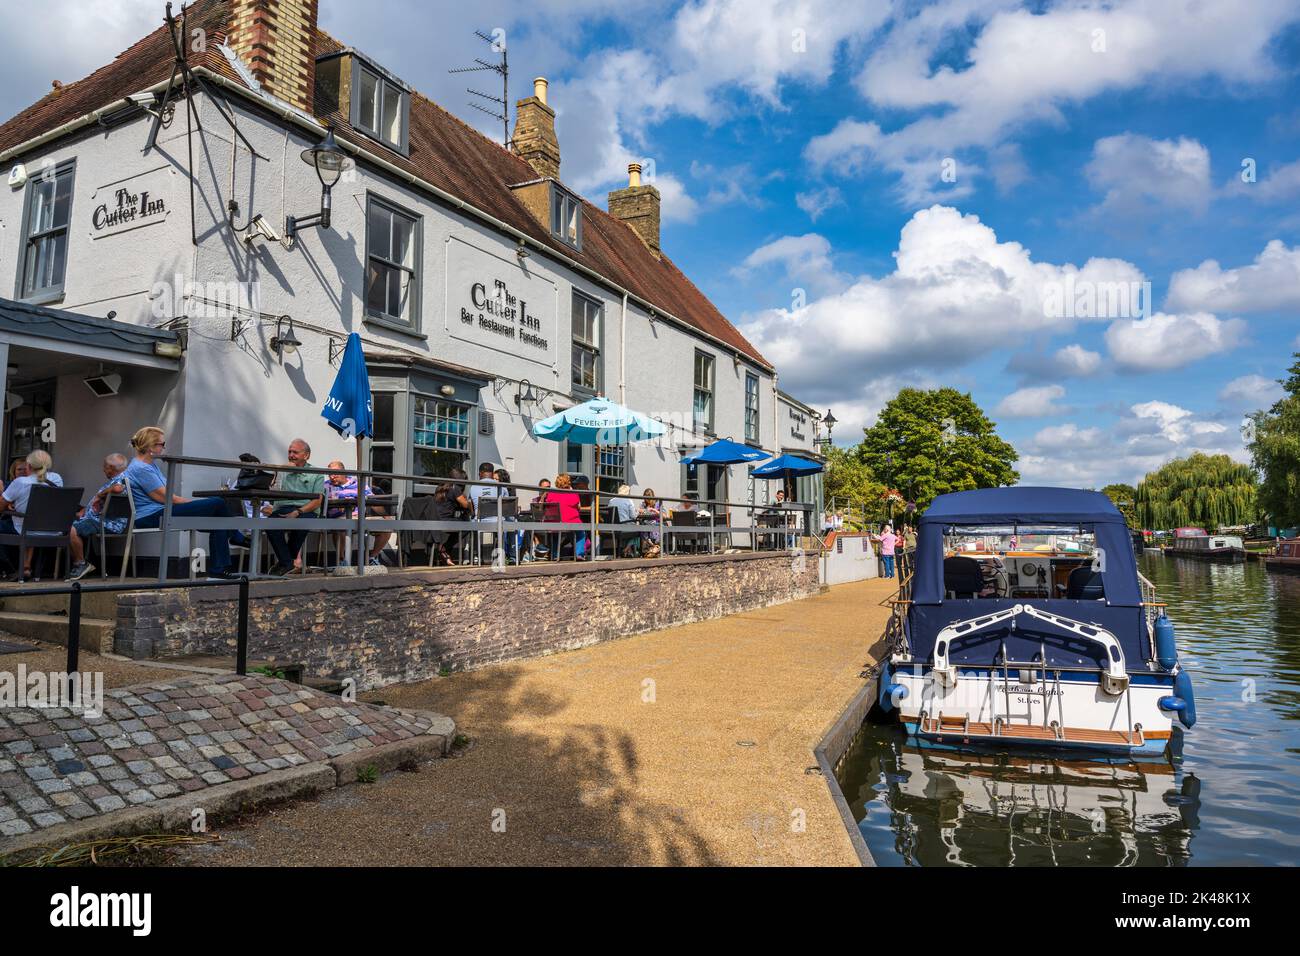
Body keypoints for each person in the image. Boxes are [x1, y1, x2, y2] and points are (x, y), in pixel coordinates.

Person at [121, 426, 237, 578]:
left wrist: (195, 507)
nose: (164, 447)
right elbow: (167, 497)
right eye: (162, 444)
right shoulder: (141, 469)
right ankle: (237, 536)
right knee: (217, 503)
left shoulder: (150, 466)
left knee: (219, 522)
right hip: (150, 516)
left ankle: (217, 572)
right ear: (151, 446)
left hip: (160, 511)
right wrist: (194, 506)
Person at [261, 438, 325, 576]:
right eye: (289, 452)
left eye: (295, 452)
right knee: (271, 523)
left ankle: (285, 563)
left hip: (306, 509)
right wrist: (277, 472)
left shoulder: (316, 473)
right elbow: (273, 492)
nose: (291, 455)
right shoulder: (283, 471)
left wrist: (297, 512)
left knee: (302, 523)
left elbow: (317, 501)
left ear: (306, 455)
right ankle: (287, 563)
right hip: (283, 508)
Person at [0, 450, 66, 580]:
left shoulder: (21, 482)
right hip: (54, 531)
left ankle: (9, 570)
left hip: (26, 530)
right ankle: (25, 568)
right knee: (29, 522)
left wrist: (2, 492)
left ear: (29, 466)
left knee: (18, 524)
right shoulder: (57, 479)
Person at [64, 452, 130, 581]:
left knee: (70, 529)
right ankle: (85, 563)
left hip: (106, 523)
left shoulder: (121, 480)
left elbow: (118, 489)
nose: (103, 469)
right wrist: (85, 509)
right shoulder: (120, 478)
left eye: (105, 466)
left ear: (111, 468)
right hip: (98, 520)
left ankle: (81, 564)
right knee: (69, 525)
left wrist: (100, 495)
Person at [324, 461, 393, 567]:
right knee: (342, 526)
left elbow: (372, 502)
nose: (332, 477)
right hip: (337, 517)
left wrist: (387, 517)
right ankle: (342, 560)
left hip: (359, 518)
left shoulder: (358, 484)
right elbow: (321, 503)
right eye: (330, 474)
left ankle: (372, 557)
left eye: (335, 474)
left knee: (386, 526)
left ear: (344, 472)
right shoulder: (326, 485)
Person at [549, 474, 586, 559]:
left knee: (555, 535)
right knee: (581, 533)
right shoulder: (572, 494)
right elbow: (578, 507)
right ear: (568, 483)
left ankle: (555, 555)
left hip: (555, 523)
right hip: (571, 522)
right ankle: (579, 554)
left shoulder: (551, 493)